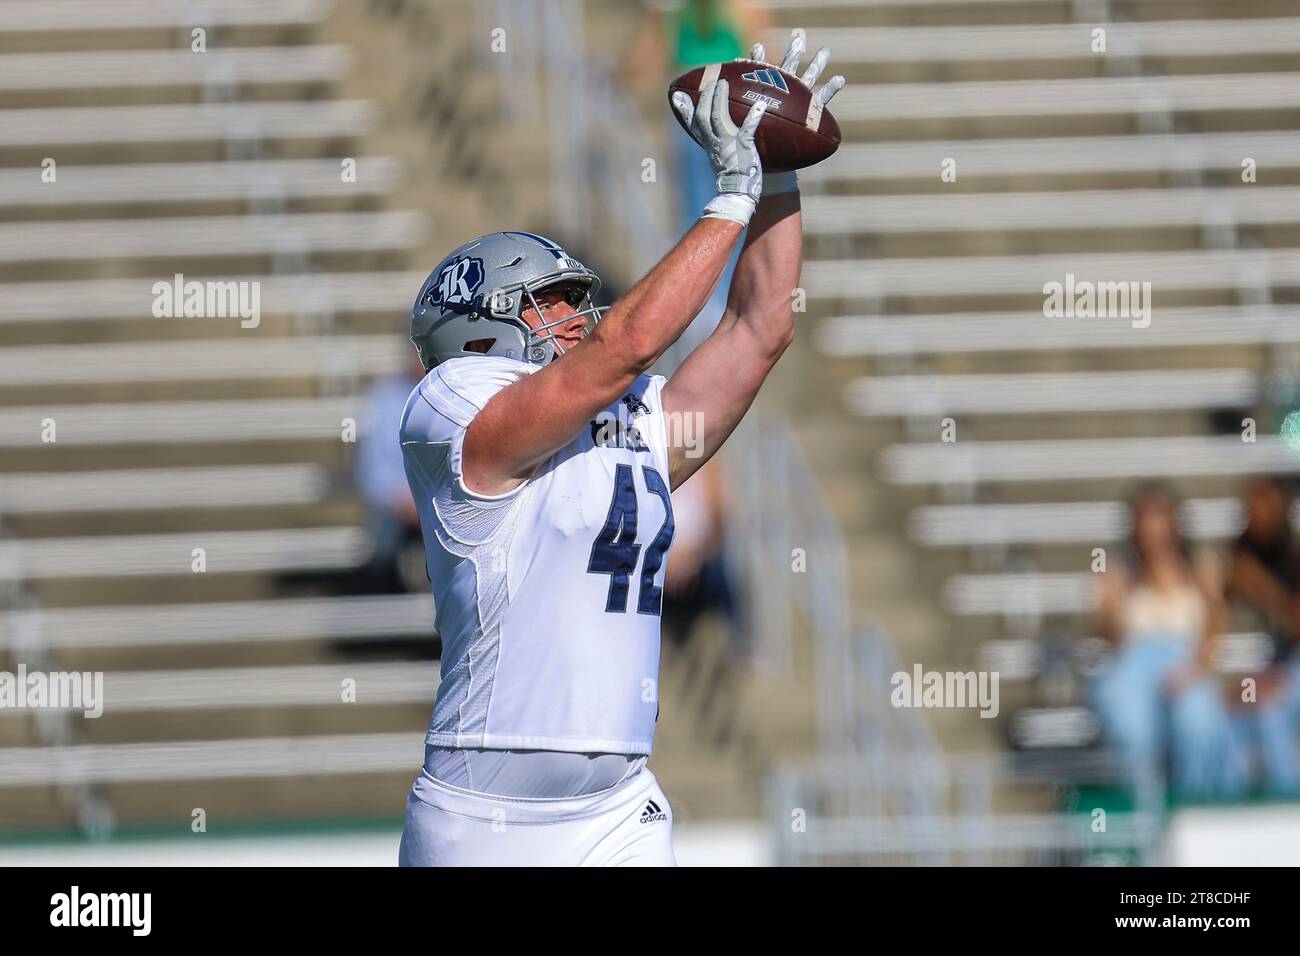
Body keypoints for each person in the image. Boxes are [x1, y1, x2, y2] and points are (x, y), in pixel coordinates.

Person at [395, 33, 845, 866]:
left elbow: (760, 325)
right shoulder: (449, 408)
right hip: (484, 815)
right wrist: (730, 198)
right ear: (480, 326)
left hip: (617, 808)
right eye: (552, 302)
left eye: (577, 300)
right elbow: (626, 346)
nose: (575, 316)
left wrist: (776, 167)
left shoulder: (630, 416)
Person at [1091, 485, 1244, 800]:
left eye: (1160, 519)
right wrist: (1110, 606)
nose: (1154, 531)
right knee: (1134, 727)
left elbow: (1215, 628)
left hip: (1187, 662)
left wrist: (1195, 669)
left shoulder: (1201, 568)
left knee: (1199, 722)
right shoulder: (1118, 573)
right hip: (1134, 666)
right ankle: (1144, 807)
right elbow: (1112, 642)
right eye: (1147, 521)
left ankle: (1191, 805)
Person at [1225, 476, 1300, 794]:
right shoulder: (1238, 556)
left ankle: (1288, 803)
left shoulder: (1293, 558)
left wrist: (1261, 587)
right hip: (1264, 667)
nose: (1258, 515)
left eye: (1265, 507)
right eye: (1251, 508)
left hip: (1291, 666)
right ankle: (1230, 801)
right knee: (1222, 714)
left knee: (1271, 710)